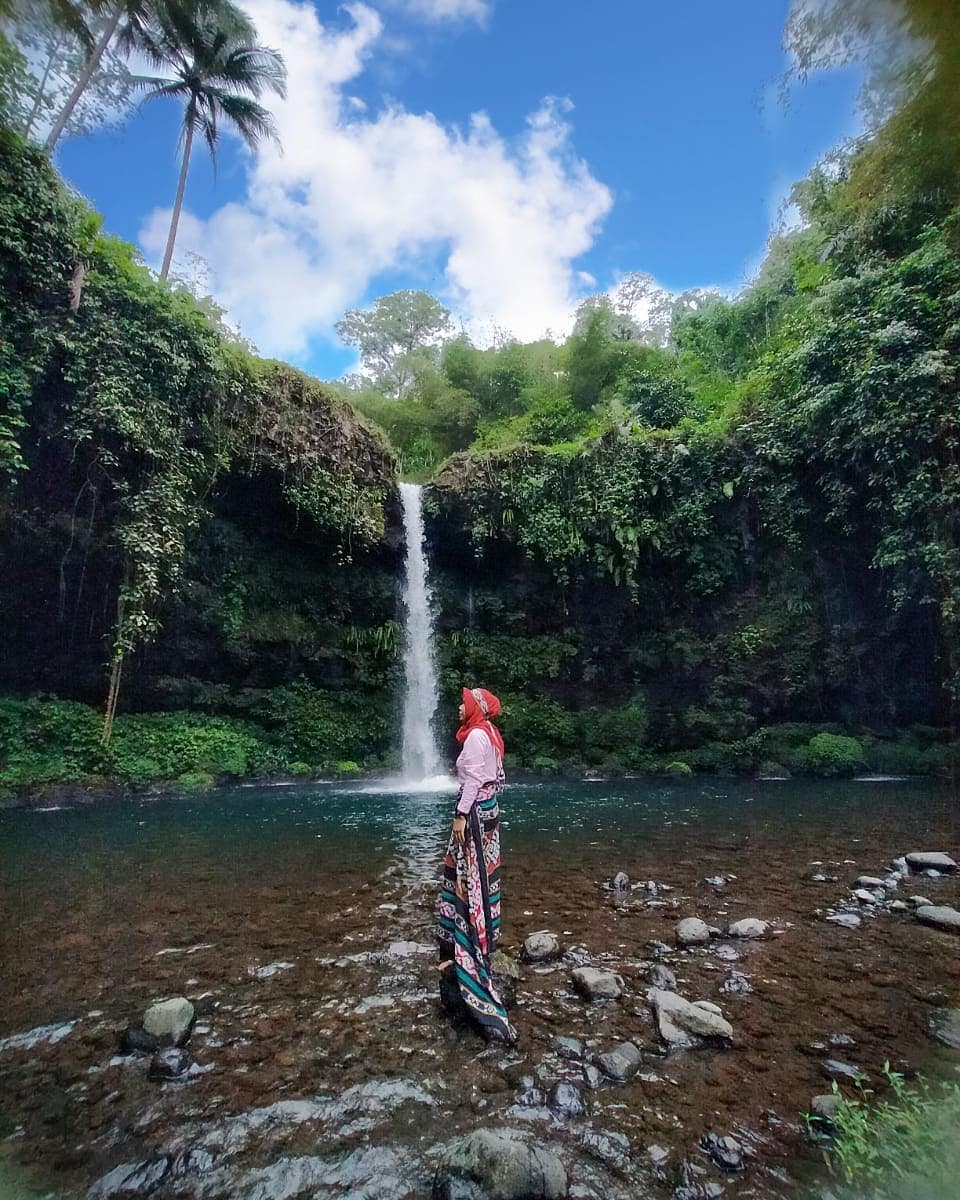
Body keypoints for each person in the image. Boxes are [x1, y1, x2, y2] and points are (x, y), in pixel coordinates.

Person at [436, 686, 516, 1044]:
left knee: (470, 877)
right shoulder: (490, 735)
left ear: (475, 708)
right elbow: (493, 780)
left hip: (474, 816)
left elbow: (471, 782)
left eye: (463, 702)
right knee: (480, 875)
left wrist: (459, 816)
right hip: (490, 812)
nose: (458, 706)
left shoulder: (475, 739)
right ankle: (480, 933)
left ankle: (470, 941)